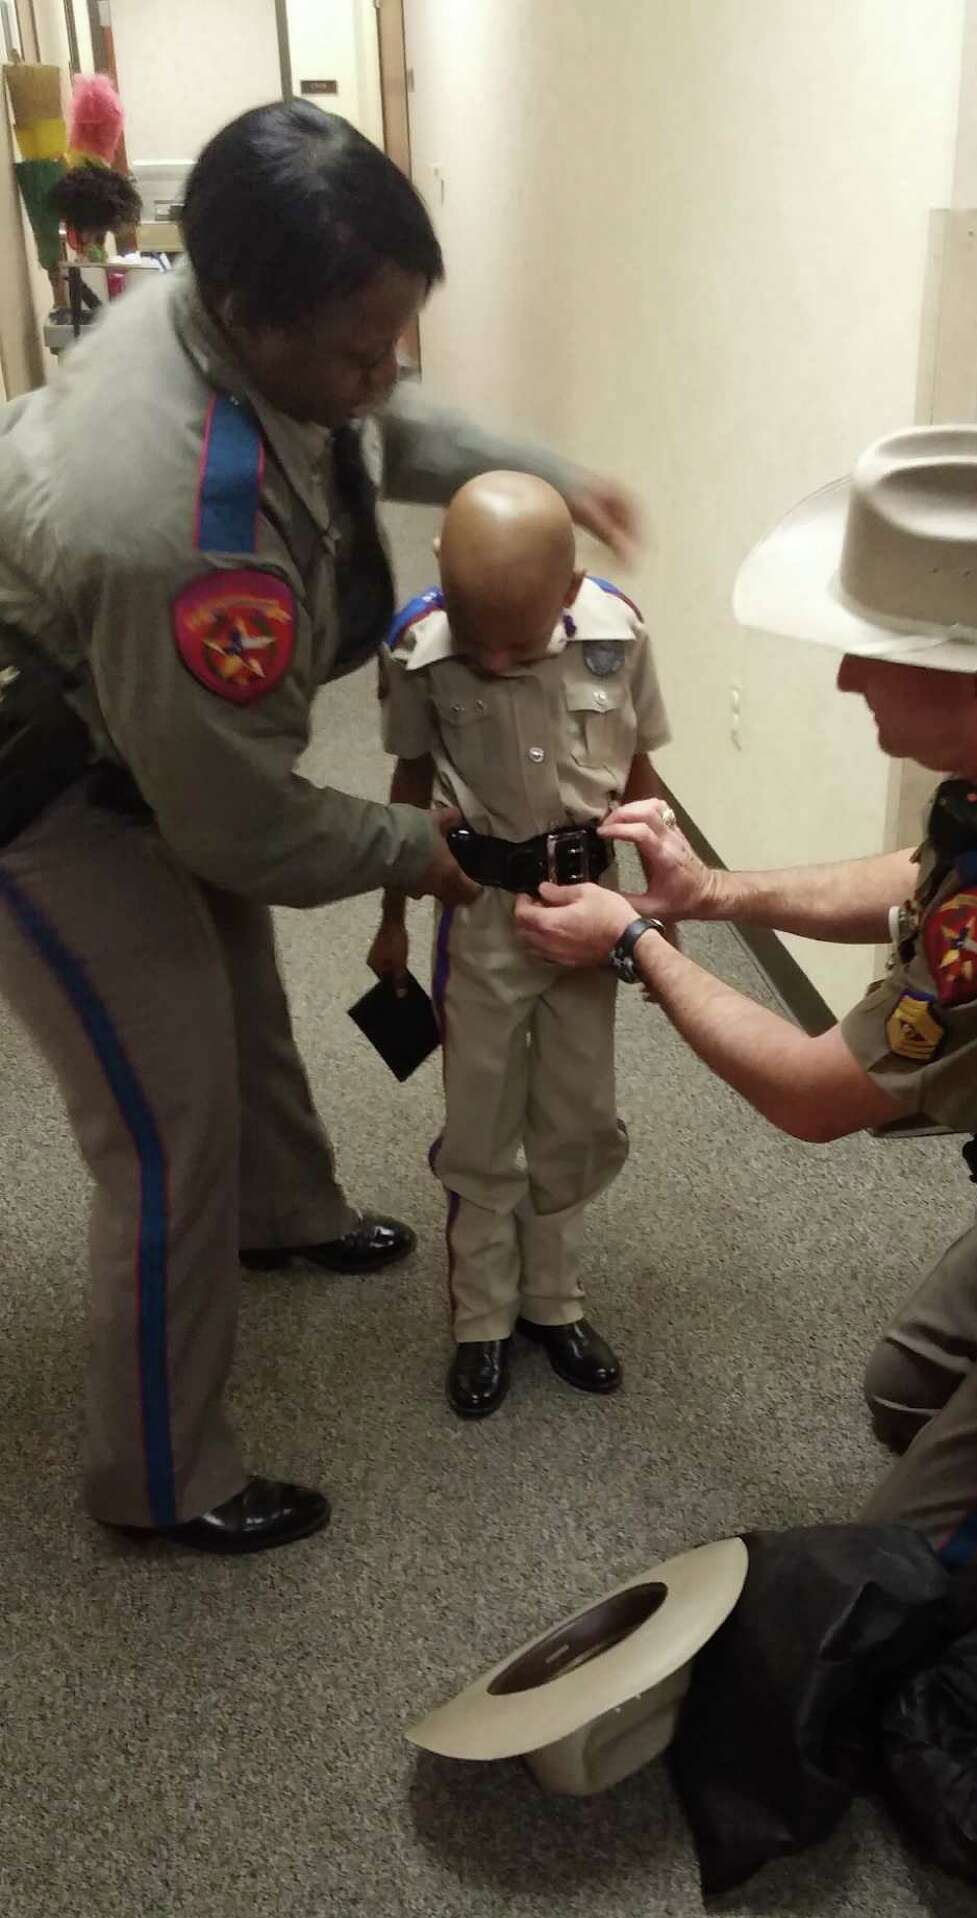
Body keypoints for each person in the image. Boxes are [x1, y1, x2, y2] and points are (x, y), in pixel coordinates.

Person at [0, 100, 637, 1555]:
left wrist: (540, 468)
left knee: (236, 987)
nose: (383, 371)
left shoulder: (227, 324)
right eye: (360, 348)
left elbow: (377, 420)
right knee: (162, 1119)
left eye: (398, 333)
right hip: (34, 779)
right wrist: (420, 852)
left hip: (122, 715)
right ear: (245, 310)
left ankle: (283, 1212)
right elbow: (241, 824)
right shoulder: (183, 528)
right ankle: (162, 1479)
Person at [516, 424, 977, 1608]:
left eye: (872, 653)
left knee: (895, 1586)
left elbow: (814, 1094)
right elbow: (926, 877)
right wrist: (713, 895)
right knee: (900, 1394)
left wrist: (632, 942)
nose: (844, 679)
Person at [370, 471, 672, 1419]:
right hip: (482, 912)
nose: (496, 660)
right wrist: (391, 917)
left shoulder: (618, 632)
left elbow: (638, 765)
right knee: (481, 1122)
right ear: (440, 575)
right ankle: (481, 1317)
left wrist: (664, 896)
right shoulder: (419, 644)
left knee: (577, 1114)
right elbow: (409, 780)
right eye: (479, 638)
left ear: (571, 586)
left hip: (590, 909)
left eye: (520, 639)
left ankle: (553, 1299)